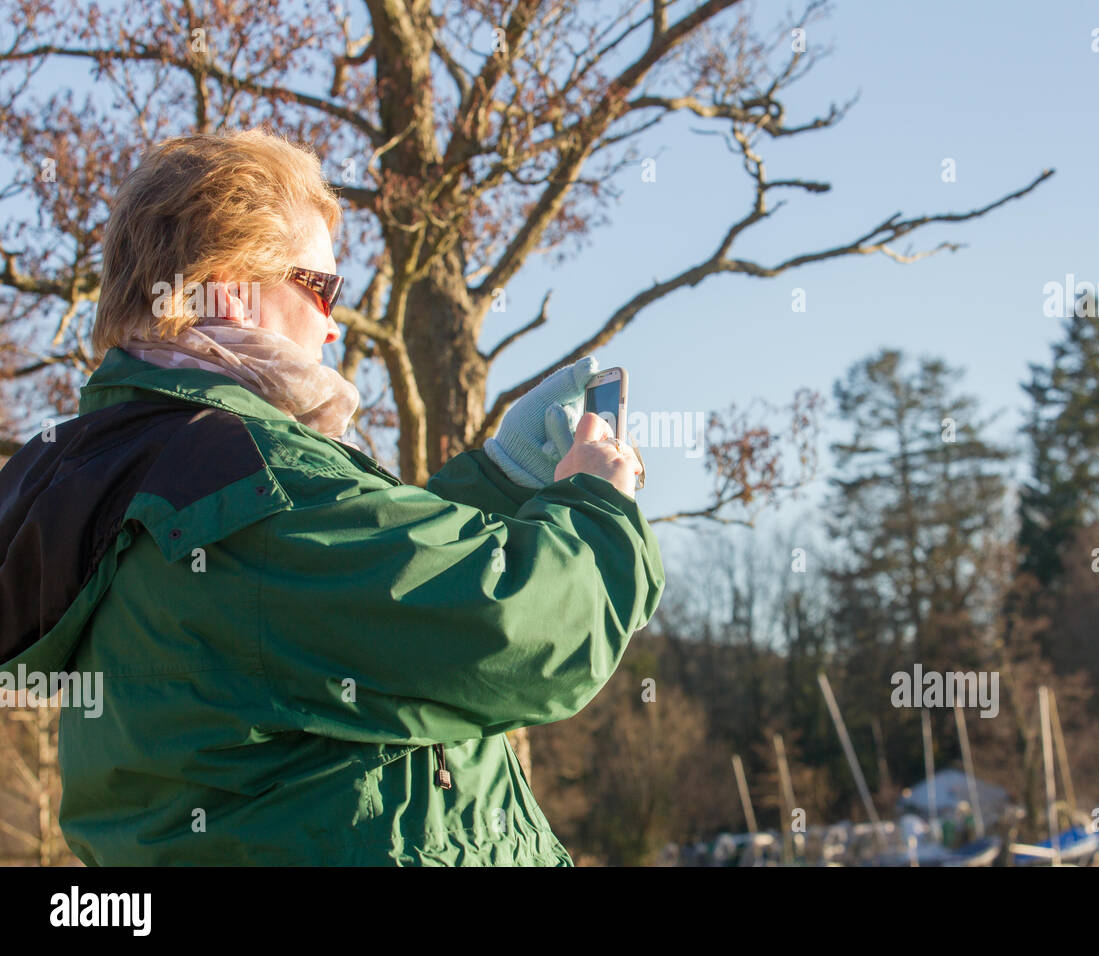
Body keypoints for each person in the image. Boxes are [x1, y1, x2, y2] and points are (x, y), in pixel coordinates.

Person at [0, 129, 663, 866]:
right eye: (319, 287)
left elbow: (350, 607)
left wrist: (502, 479)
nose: (334, 322)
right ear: (230, 286)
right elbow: (518, 634)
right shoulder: (246, 486)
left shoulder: (133, 471)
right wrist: (597, 508)